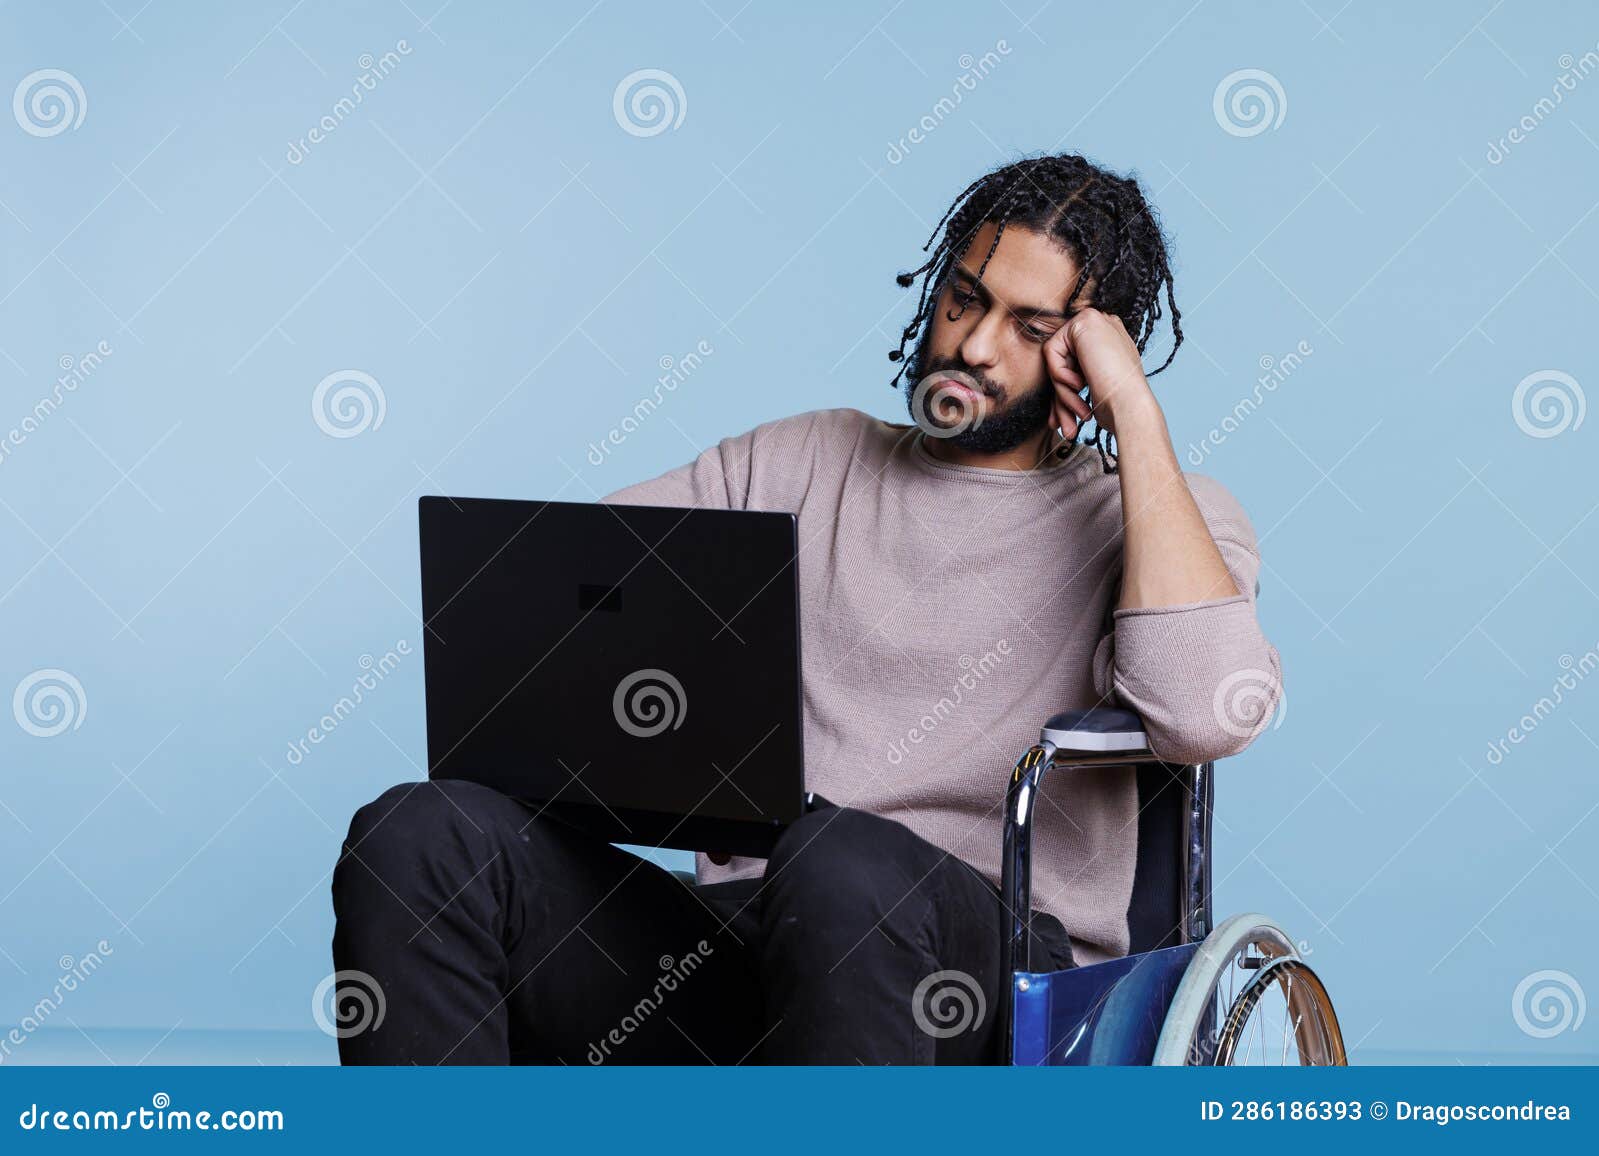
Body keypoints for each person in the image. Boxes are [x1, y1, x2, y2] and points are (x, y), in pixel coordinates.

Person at [331, 152, 1283, 1065]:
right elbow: (559, 597)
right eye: (963, 299)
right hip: (751, 937)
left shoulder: (1160, 518)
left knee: (838, 861)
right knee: (418, 835)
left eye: (1031, 329)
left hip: (984, 971)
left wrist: (1138, 420)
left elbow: (1200, 711)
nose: (974, 344)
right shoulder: (803, 462)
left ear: (1088, 349)